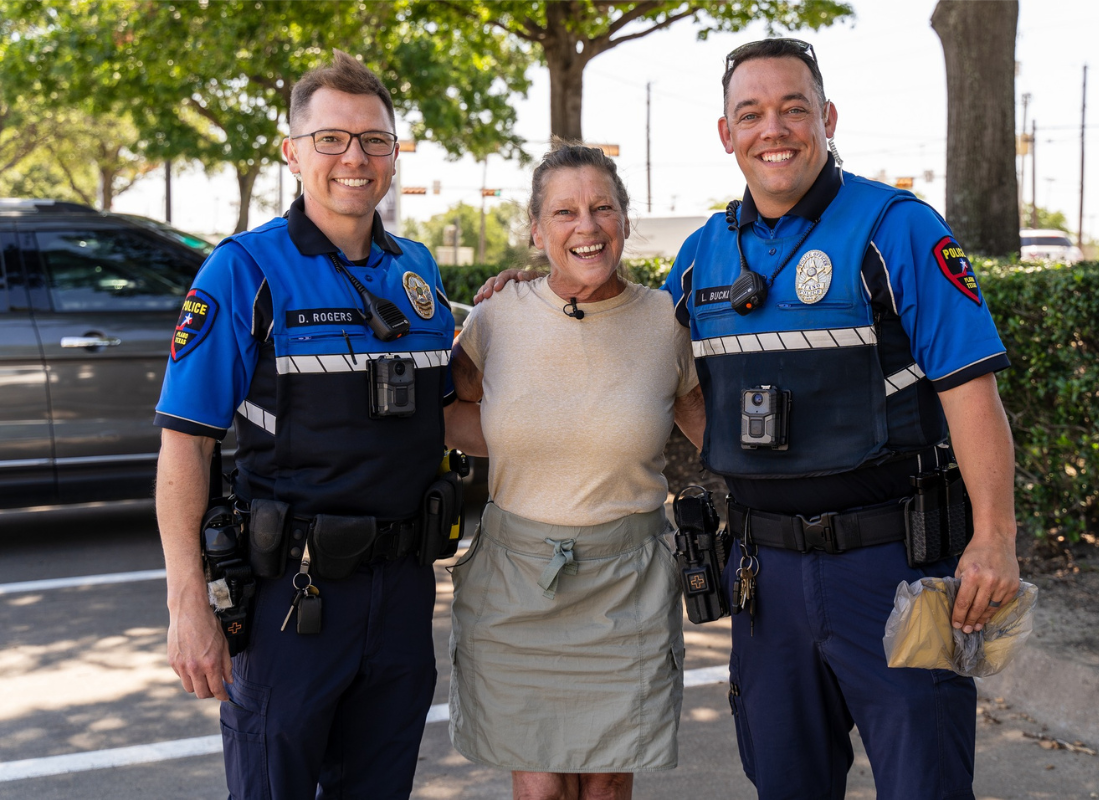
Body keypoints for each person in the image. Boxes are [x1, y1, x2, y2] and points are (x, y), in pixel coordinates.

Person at [479, 39, 1020, 800]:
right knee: (785, 782)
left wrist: (994, 538)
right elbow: (633, 343)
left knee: (924, 780)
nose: (775, 129)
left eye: (794, 108)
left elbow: (972, 393)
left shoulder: (897, 228)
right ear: (726, 134)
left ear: (827, 118)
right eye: (751, 113)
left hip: (897, 567)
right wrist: (544, 284)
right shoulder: (704, 254)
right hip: (764, 580)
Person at [154, 51, 468, 799]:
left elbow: (455, 415)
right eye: (331, 139)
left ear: (395, 153)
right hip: (293, 606)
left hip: (401, 598)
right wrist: (186, 602)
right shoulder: (242, 272)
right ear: (292, 151)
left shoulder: (418, 272)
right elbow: (185, 446)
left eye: (374, 140)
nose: (354, 158)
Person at [448, 144, 706, 800]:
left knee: (605, 786)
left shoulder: (666, 323)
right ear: (536, 230)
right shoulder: (493, 319)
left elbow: (715, 434)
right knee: (539, 789)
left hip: (628, 582)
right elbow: (451, 414)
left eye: (602, 209)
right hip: (515, 582)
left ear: (626, 220)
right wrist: (531, 443)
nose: (585, 227)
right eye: (564, 212)